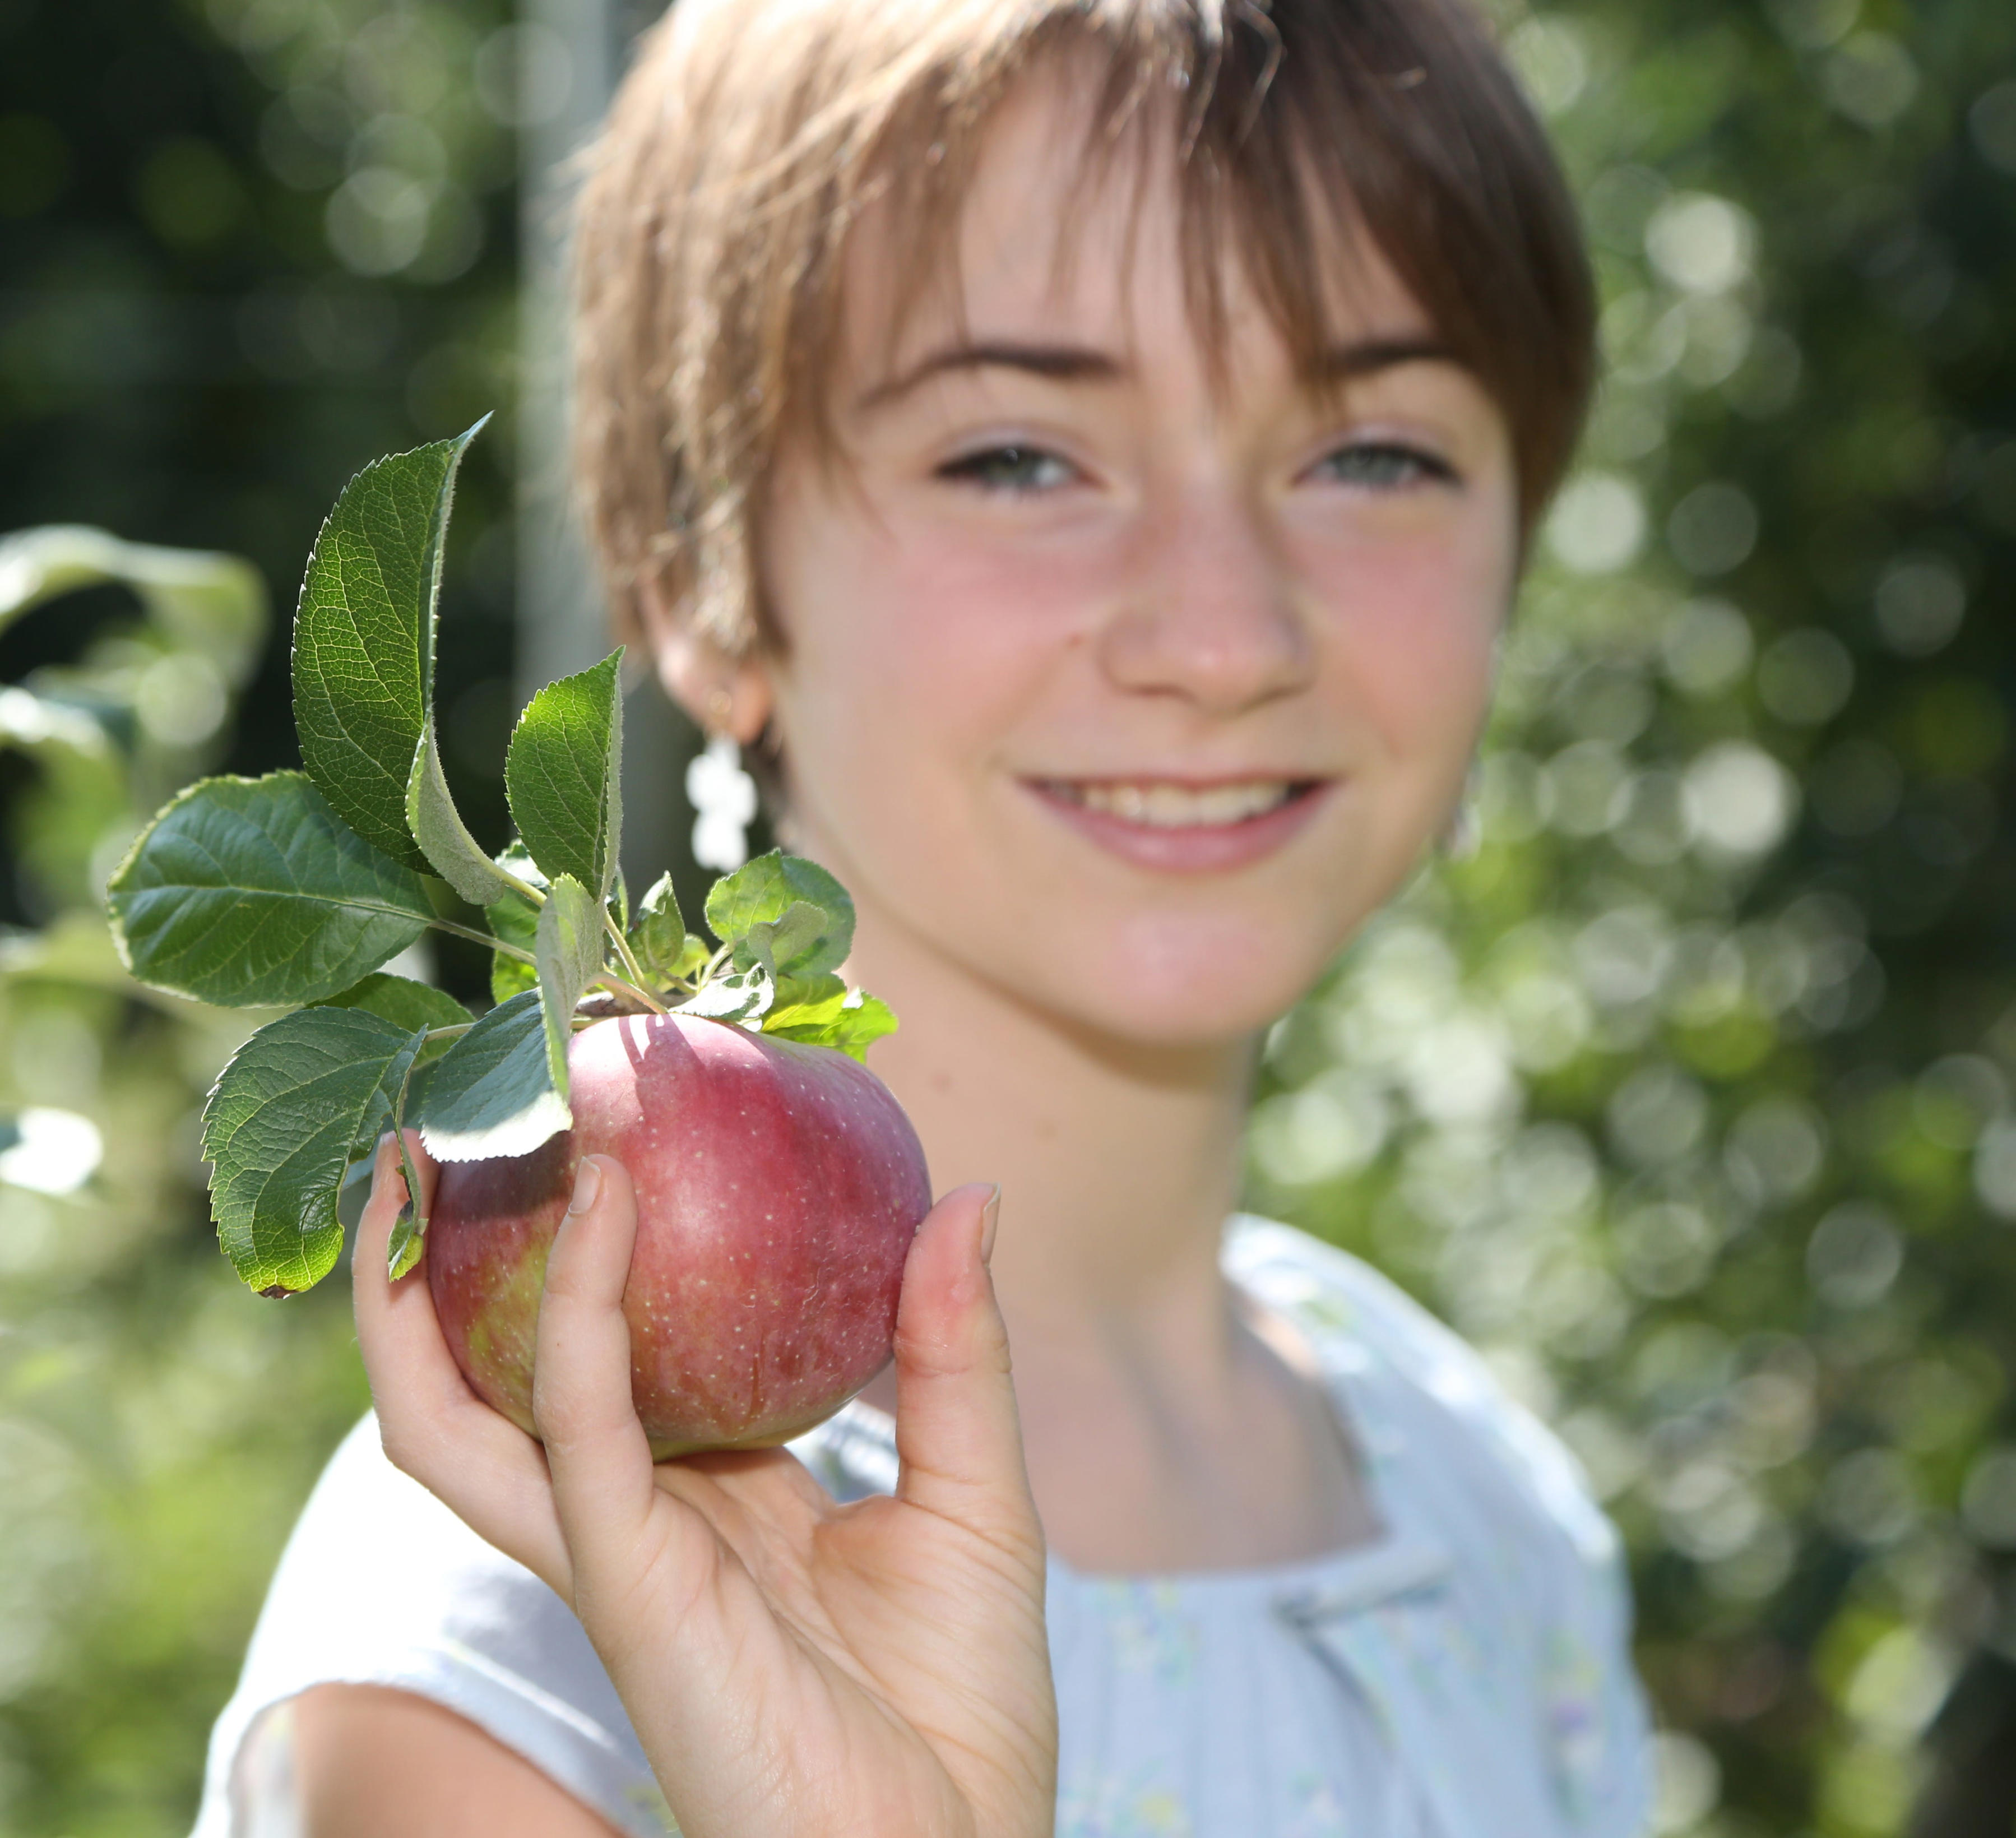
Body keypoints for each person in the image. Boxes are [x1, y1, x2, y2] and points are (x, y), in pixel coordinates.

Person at [191, 0, 1655, 1832]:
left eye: (1373, 455)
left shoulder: (1465, 1485)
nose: (1225, 636)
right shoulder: (543, 1628)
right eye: (1020, 458)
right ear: (699, 583)